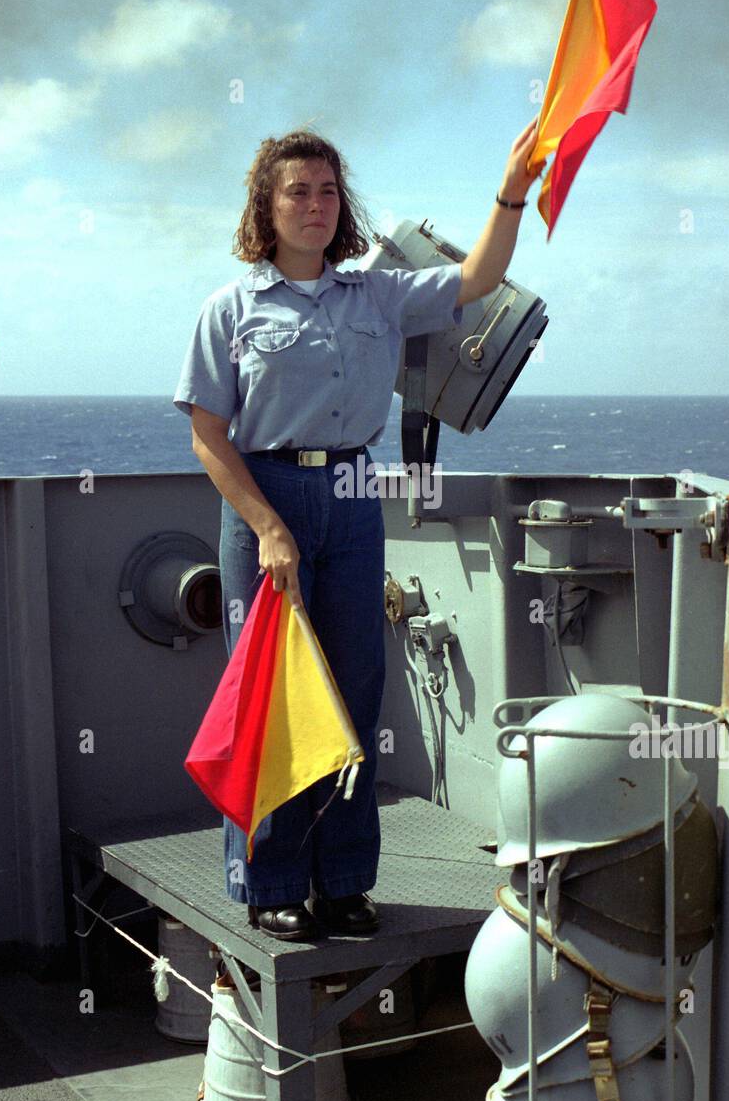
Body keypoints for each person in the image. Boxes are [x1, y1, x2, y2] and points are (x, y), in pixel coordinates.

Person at [173, 123, 543, 940]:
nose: (314, 205)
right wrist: (269, 528)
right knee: (272, 698)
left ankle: (342, 881)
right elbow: (208, 435)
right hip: (265, 495)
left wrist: (512, 187)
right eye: (296, 192)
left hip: (349, 490)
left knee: (352, 693)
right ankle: (271, 880)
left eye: (327, 192)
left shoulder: (376, 295)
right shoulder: (230, 310)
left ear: (343, 209)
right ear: (267, 209)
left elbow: (481, 277)